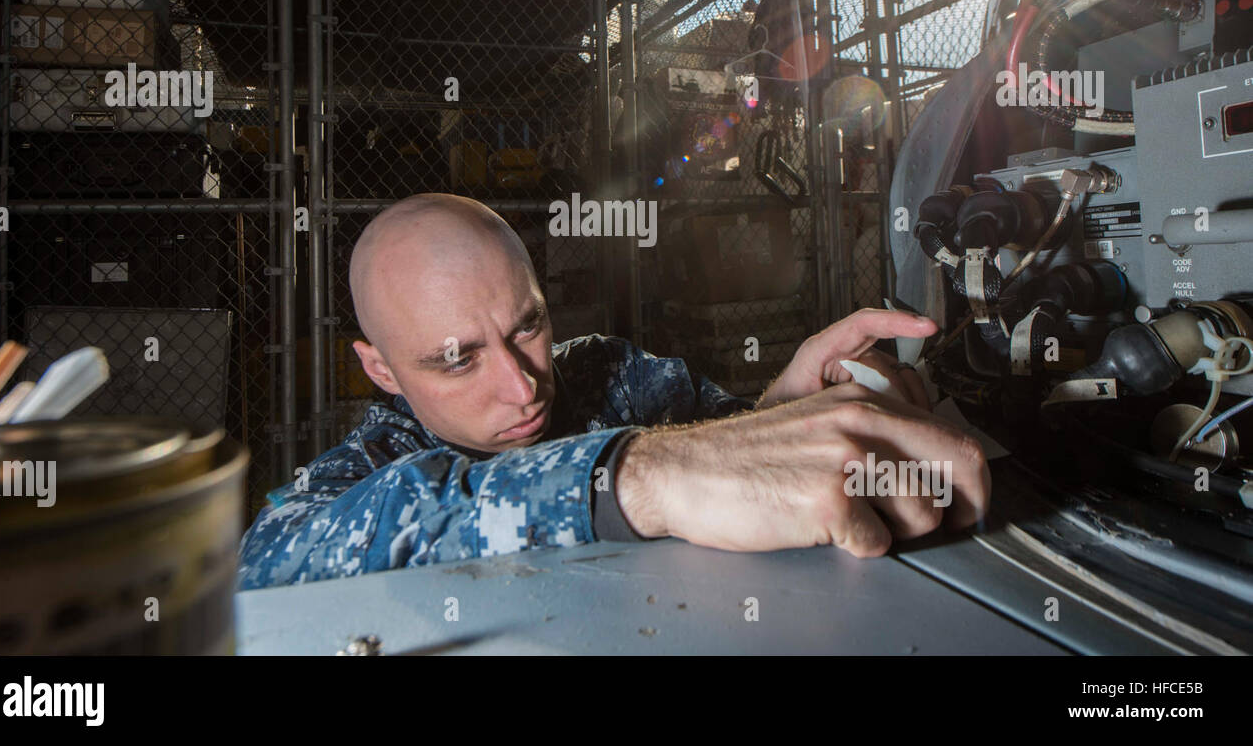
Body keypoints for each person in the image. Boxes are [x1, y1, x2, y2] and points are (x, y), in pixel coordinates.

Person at [236, 193, 990, 590]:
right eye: (457, 360)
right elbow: (263, 565)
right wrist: (632, 476)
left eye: (526, 326)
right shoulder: (368, 464)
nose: (522, 383)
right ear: (383, 371)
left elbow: (734, 445)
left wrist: (787, 401)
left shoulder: (605, 369)